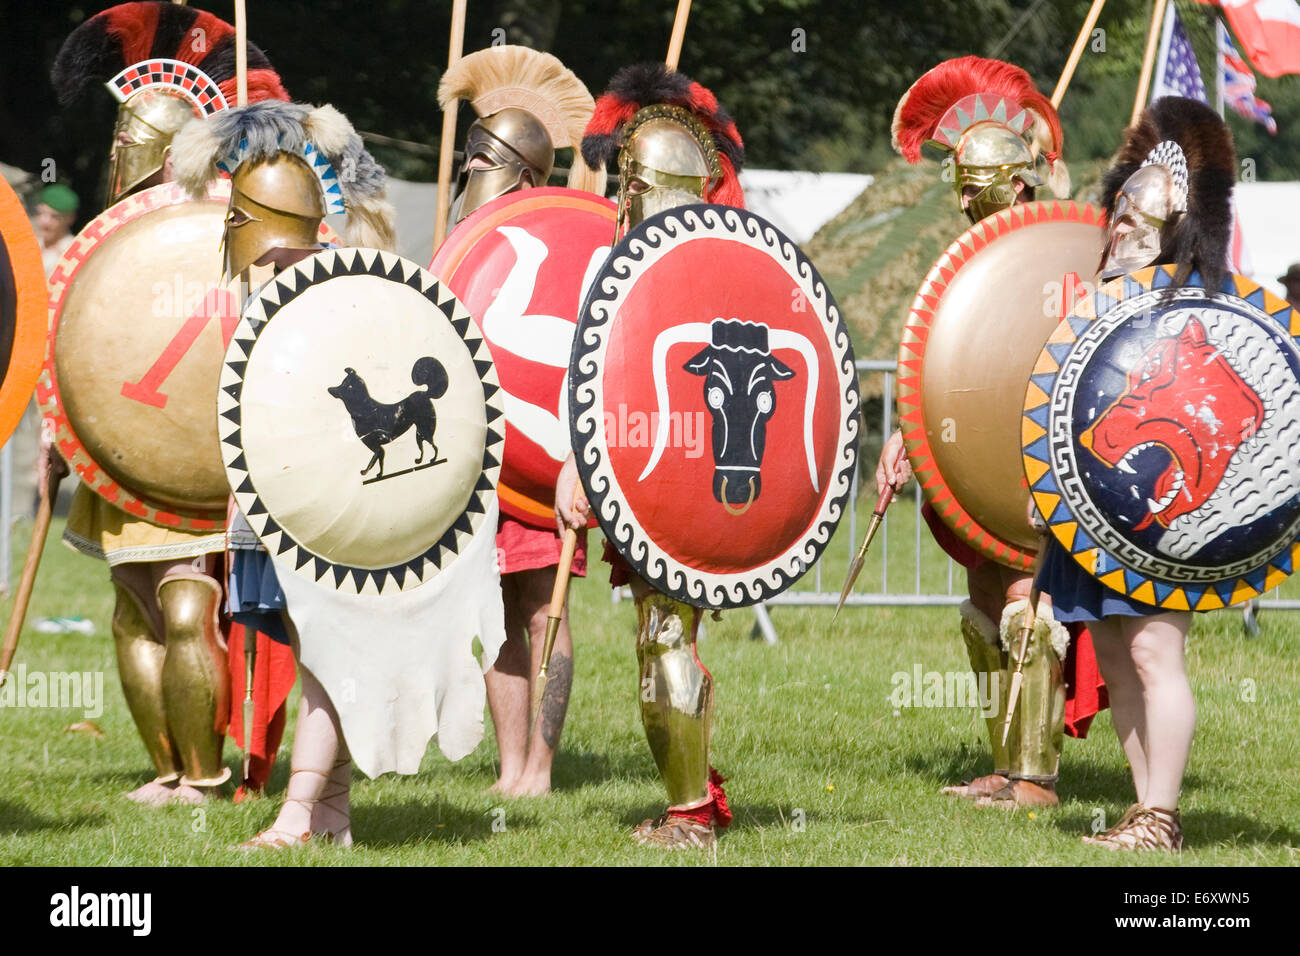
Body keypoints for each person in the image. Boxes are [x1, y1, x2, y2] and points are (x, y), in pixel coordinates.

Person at [48, 1, 288, 805]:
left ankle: (205, 774)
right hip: (120, 450)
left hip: (197, 457)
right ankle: (166, 768)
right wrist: (62, 427)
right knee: (131, 610)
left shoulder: (230, 229)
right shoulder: (109, 237)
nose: (117, 152)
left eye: (129, 140)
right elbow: (75, 348)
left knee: (188, 603)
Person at [174, 97, 400, 847]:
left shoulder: (340, 296)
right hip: (271, 498)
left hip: (328, 499)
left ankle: (301, 815)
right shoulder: (263, 293)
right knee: (313, 647)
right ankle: (329, 814)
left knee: (329, 645)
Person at [877, 56, 1080, 808]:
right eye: (958, 182)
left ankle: (1037, 777)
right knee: (986, 596)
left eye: (977, 181)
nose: (965, 196)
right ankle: (1004, 761)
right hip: (976, 455)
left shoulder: (1059, 253)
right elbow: (947, 364)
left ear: (1016, 180)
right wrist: (908, 433)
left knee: (1031, 600)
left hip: (1040, 457)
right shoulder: (967, 267)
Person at [1037, 96, 1239, 852]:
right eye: (1116, 215)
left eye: (1137, 220)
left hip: (1161, 508)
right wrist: (1047, 492)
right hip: (1089, 506)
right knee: (1115, 653)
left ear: (1174, 228)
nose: (1119, 228)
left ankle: (1162, 814)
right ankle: (1144, 808)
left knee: (1155, 651)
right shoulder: (1096, 307)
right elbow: (1060, 411)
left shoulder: (1195, 312)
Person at [556, 63, 745, 849]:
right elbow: (599, 377)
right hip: (655, 471)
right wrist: (582, 463)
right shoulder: (727, 257)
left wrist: (583, 463)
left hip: (679, 476)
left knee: (666, 636)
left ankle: (693, 815)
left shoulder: (708, 264)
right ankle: (685, 798)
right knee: (656, 635)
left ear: (634, 184)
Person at [435, 44, 603, 796]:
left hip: (543, 454)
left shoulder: (570, 245)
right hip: (477, 460)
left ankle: (539, 765)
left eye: (487, 161)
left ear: (530, 175)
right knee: (497, 610)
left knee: (543, 606)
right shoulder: (457, 248)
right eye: (469, 159)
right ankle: (510, 766)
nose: (473, 172)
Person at [34, 183, 78, 275]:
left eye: (54, 217)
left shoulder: (72, 253)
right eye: (41, 213)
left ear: (70, 219)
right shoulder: (30, 240)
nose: (44, 222)